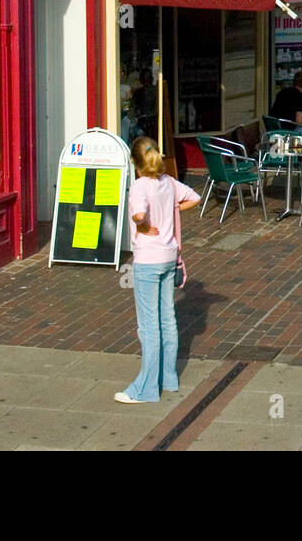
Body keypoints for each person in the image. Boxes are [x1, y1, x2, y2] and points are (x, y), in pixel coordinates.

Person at [116, 137, 200, 404]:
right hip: (169, 257)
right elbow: (195, 198)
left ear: (136, 164)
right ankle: (169, 377)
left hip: (148, 260)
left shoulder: (139, 187)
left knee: (148, 325)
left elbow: (139, 215)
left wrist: (141, 224)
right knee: (167, 318)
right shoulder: (169, 182)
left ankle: (146, 388)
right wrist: (173, 208)